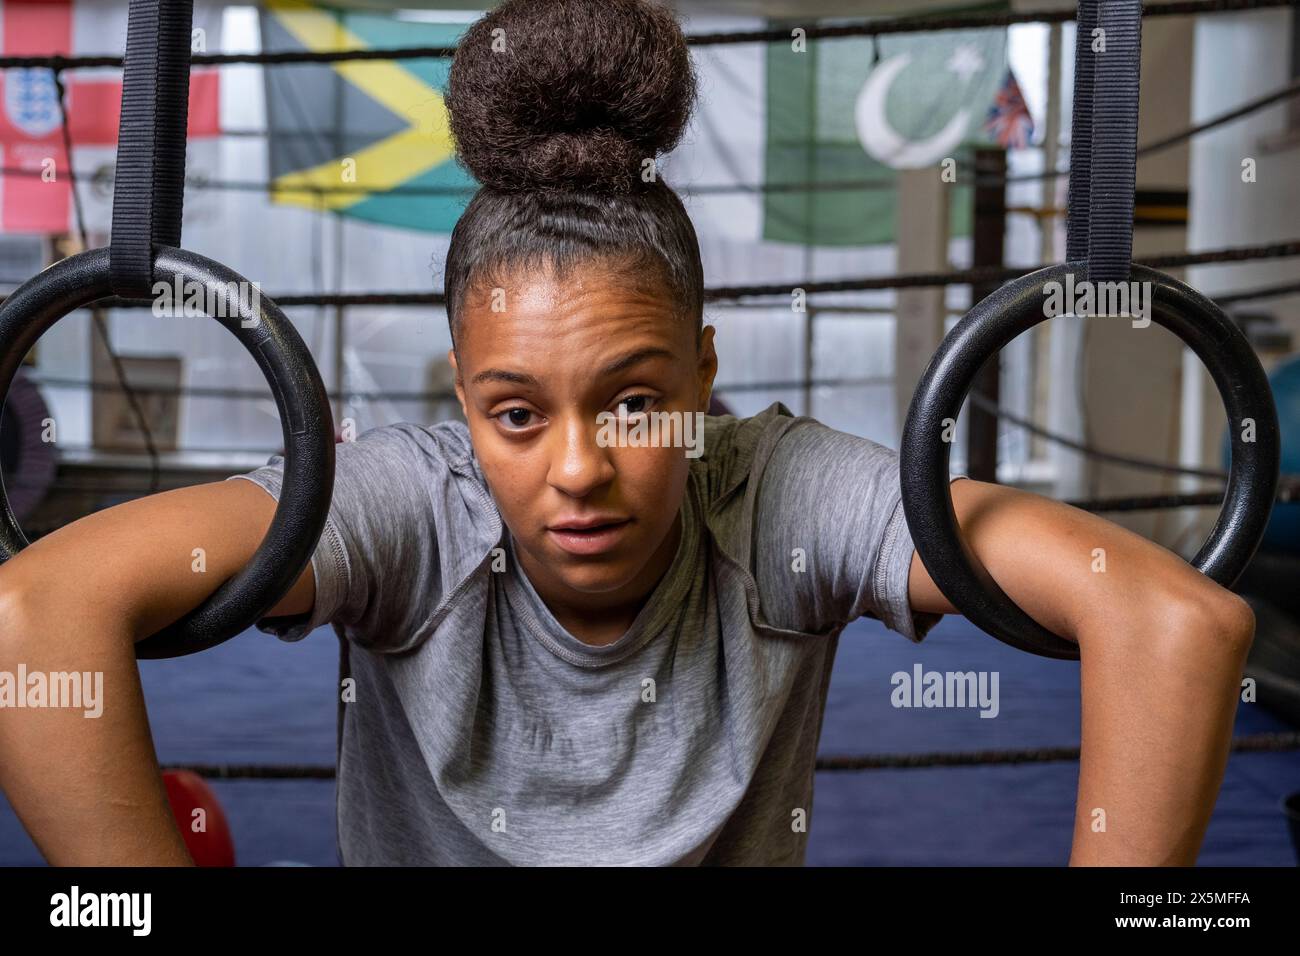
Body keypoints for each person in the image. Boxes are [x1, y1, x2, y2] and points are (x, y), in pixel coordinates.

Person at [0, 0, 1253, 867]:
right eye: (516, 413)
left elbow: (1172, 619)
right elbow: (31, 614)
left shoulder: (778, 496)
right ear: (461, 398)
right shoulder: (408, 505)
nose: (579, 466)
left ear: (705, 371)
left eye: (634, 397)